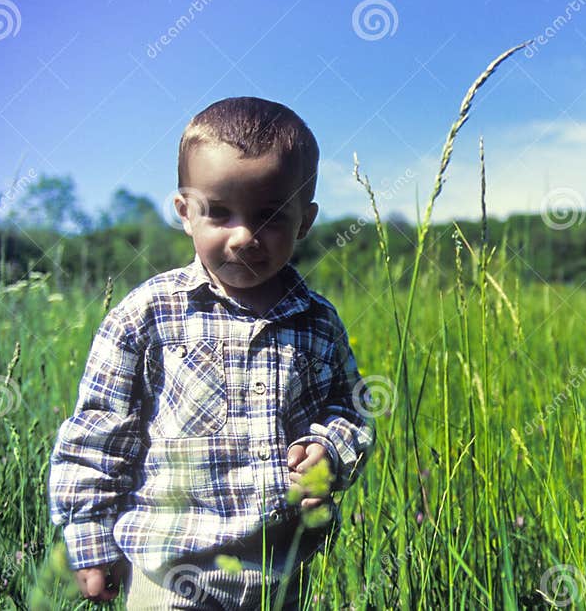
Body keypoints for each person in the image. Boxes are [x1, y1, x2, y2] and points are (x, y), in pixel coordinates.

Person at [48, 97, 376, 609]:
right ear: (184, 212)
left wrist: (331, 450)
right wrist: (90, 539)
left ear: (305, 220)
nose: (244, 236)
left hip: (280, 574)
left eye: (270, 216)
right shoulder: (150, 312)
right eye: (219, 213)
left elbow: (352, 408)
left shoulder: (317, 321)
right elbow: (99, 431)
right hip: (169, 570)